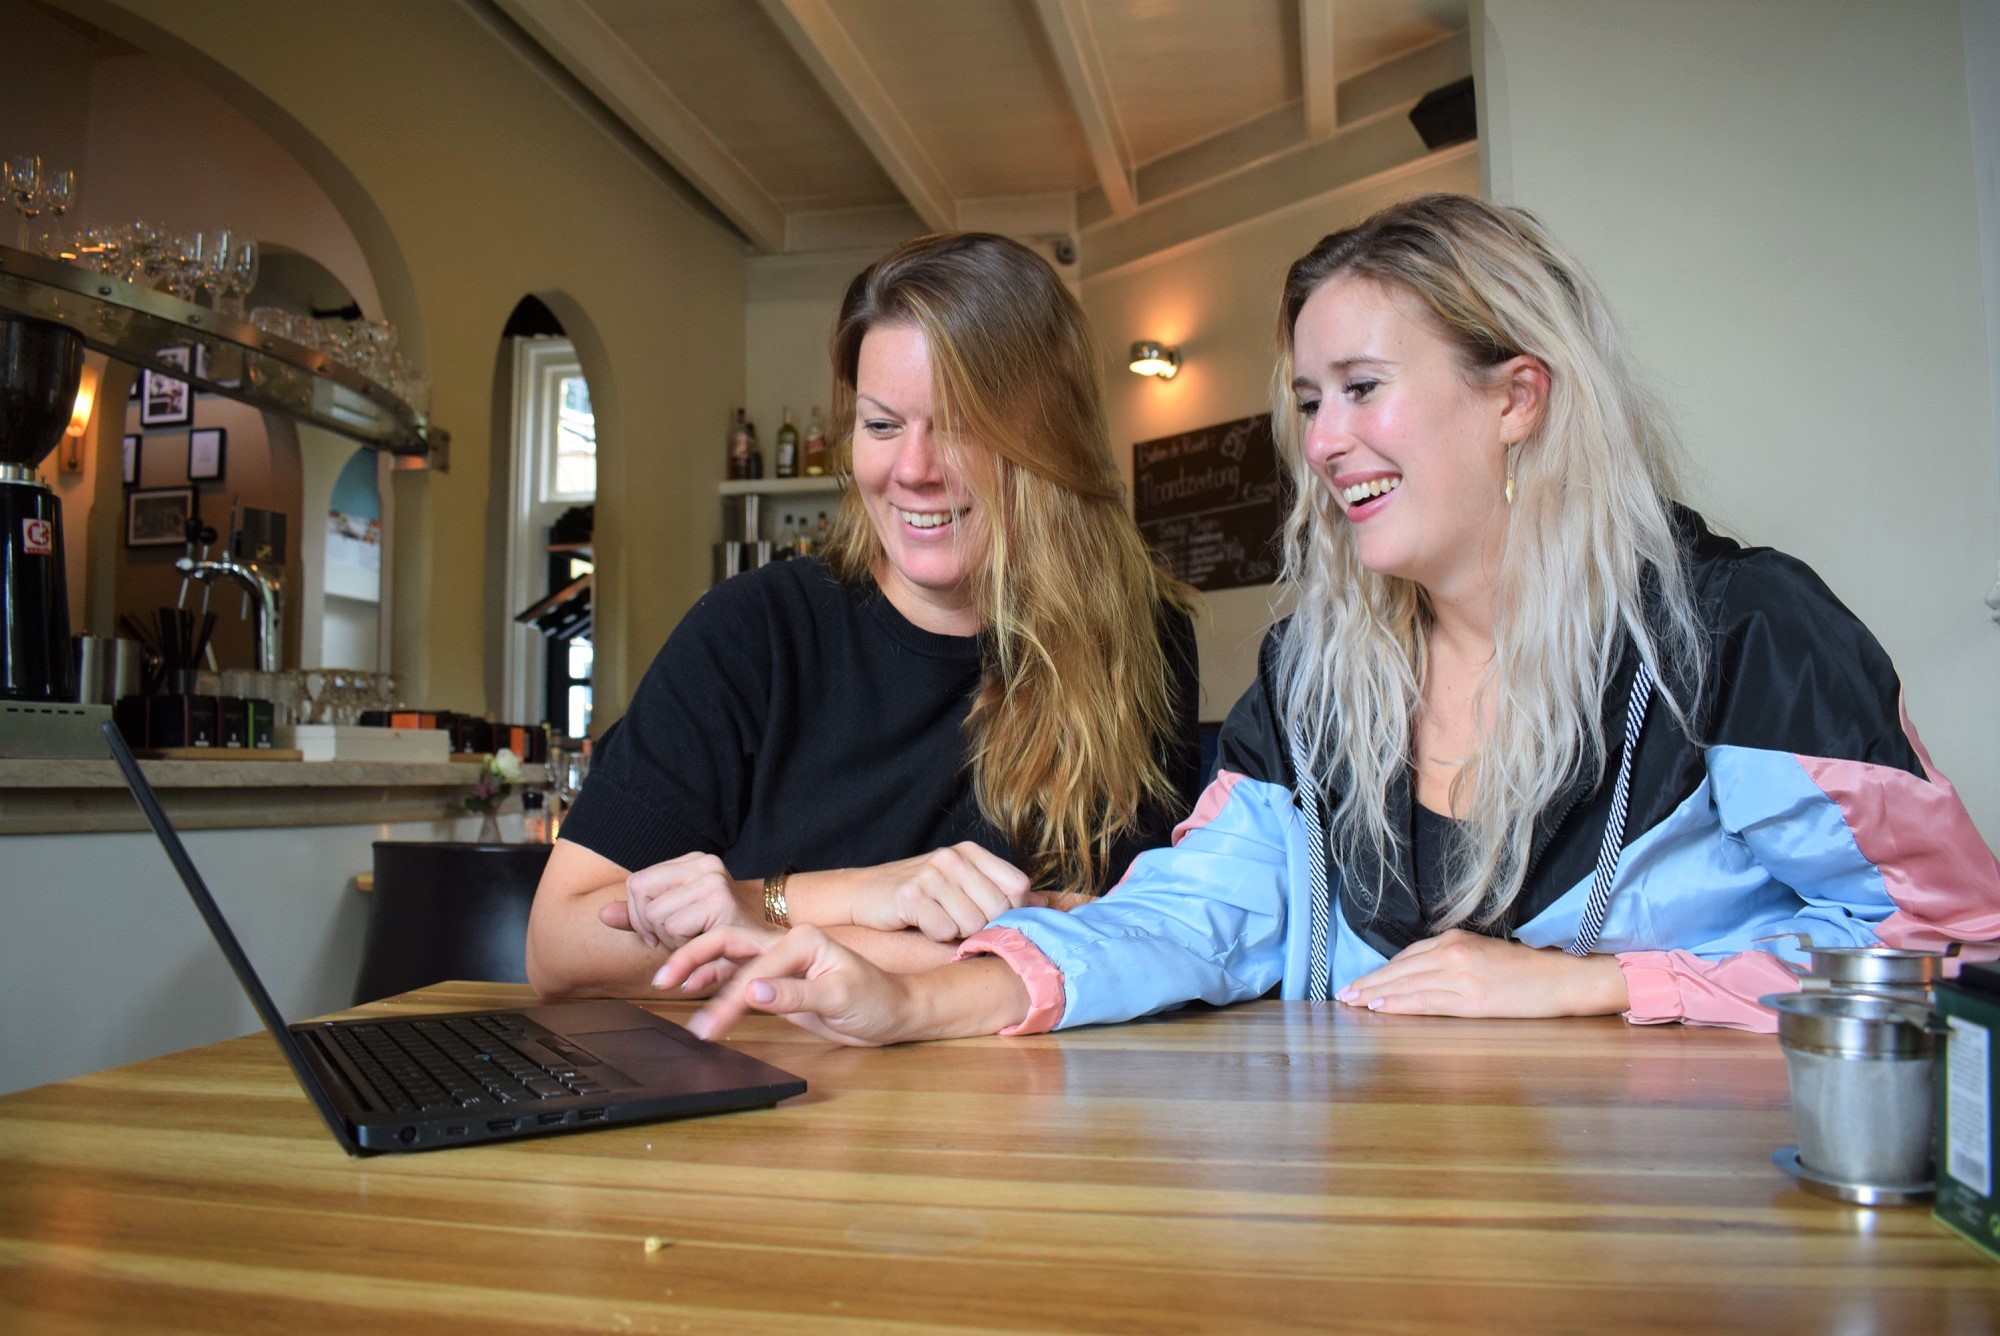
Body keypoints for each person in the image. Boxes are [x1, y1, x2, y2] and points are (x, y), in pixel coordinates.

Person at [665, 193, 2000, 1045]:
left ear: (1518, 395)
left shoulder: (1743, 635)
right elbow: (1189, 912)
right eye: (1308, 402)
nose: (1324, 442)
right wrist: (911, 1000)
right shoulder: (1318, 672)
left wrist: (1605, 984)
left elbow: (1951, 955)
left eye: (1362, 388)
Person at [527, 232, 1201, 998]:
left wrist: (754, 921)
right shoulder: (752, 631)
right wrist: (857, 895)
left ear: (1050, 439)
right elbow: (561, 946)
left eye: (961, 425)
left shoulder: (1138, 638)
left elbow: (1132, 940)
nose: (912, 469)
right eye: (882, 426)